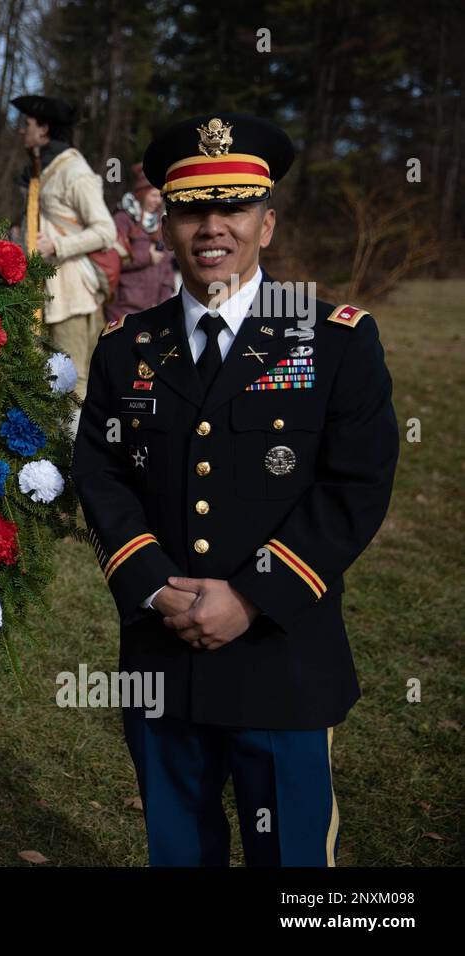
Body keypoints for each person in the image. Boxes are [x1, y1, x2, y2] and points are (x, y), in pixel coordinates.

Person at [72, 113, 399, 866]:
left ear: (268, 222)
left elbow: (355, 486)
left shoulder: (335, 339)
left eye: (234, 207)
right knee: (178, 851)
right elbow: (102, 472)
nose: (212, 227)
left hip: (282, 655)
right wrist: (156, 586)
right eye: (192, 209)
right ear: (165, 223)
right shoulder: (128, 348)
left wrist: (250, 596)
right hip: (163, 655)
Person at [11, 94, 116, 413]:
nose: (20, 131)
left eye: (26, 124)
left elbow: (105, 231)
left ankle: (76, 459)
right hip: (42, 291)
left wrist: (56, 246)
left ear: (44, 129)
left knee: (72, 382)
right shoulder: (42, 168)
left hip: (71, 294)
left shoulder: (74, 171)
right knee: (45, 379)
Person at [107, 163, 174, 328]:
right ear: (141, 193)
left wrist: (164, 302)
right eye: (153, 195)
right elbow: (113, 257)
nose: (157, 201)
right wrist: (146, 257)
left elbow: (166, 267)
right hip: (124, 307)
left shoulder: (160, 222)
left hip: (153, 308)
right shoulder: (122, 220)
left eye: (160, 196)